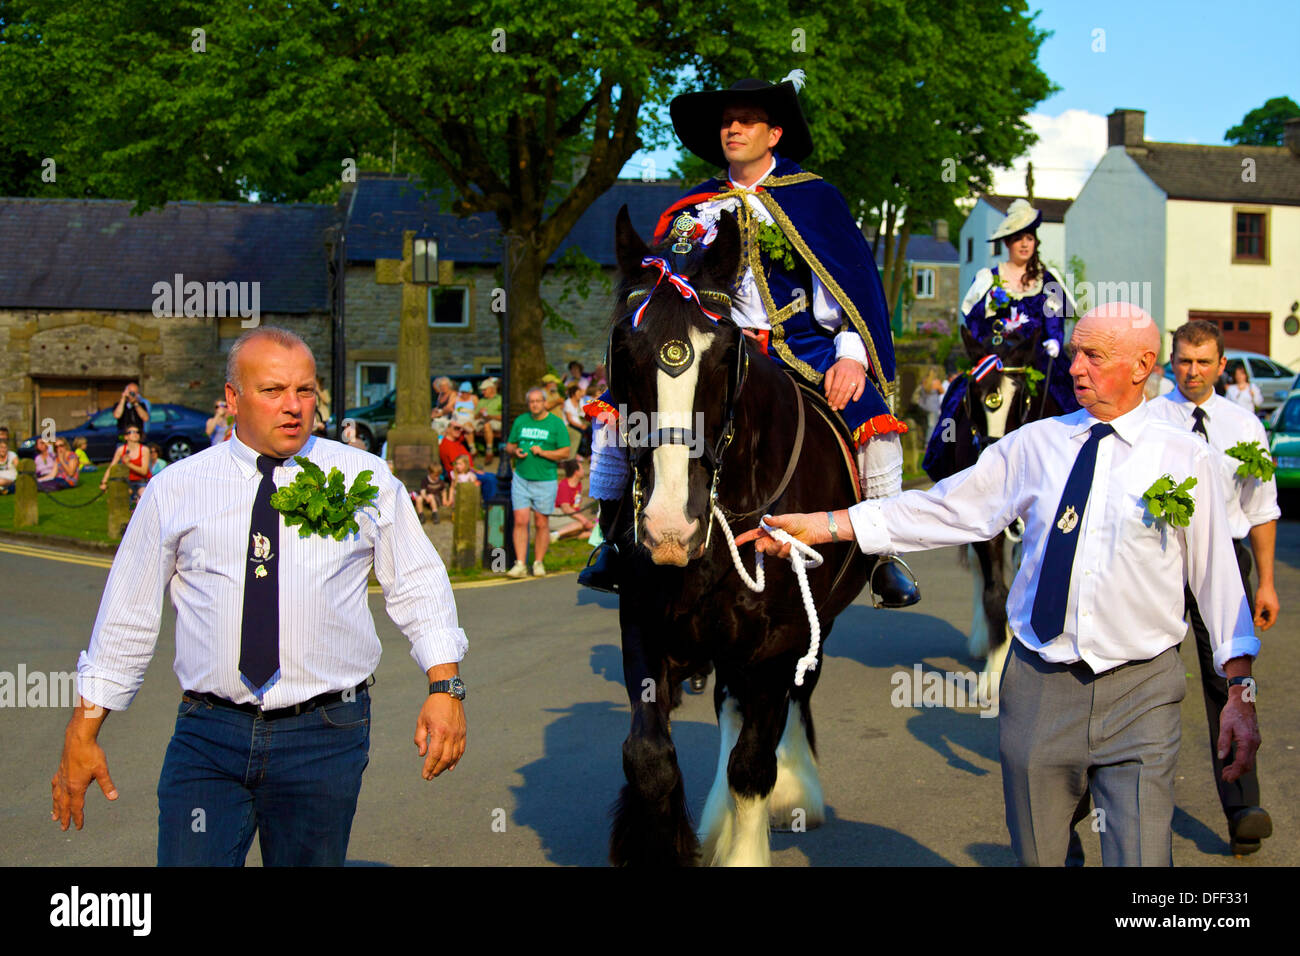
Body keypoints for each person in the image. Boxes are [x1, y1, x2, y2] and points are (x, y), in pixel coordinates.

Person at [757, 303, 1261, 866]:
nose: (1076, 369)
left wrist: (1241, 692)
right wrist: (829, 524)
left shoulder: (1186, 457)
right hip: (1039, 688)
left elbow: (1220, 583)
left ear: (1143, 365)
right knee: (1040, 856)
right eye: (1075, 353)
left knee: (1143, 861)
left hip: (1142, 692)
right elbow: (944, 510)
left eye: (1094, 356)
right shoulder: (1035, 445)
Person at [52, 326, 468, 865]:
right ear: (231, 398)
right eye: (273, 391)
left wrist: (446, 685)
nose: (293, 407)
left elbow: (418, 584)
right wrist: (83, 729)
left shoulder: (364, 478)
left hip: (326, 732)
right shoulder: (175, 488)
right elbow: (127, 617)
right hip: (209, 733)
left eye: (306, 391)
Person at [580, 73, 917, 605]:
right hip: (714, 351)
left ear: (774, 133)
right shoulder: (691, 209)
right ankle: (608, 540)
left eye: (746, 121)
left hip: (802, 347)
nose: (733, 129)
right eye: (726, 121)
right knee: (618, 414)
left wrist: (851, 356)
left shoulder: (815, 200)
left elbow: (854, 288)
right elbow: (665, 285)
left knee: (876, 427)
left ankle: (883, 555)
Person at [1148, 319, 1279, 854]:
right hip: (1158, 562)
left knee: (1229, 681)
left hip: (1226, 562)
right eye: (1184, 360)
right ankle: (1108, 802)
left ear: (1223, 366)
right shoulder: (1148, 419)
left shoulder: (1245, 425)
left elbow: (1262, 508)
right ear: (1170, 363)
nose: (1194, 371)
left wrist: (1266, 583)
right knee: (1140, 678)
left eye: (1204, 362)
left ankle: (1242, 806)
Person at [924, 200, 1079, 481]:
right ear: (1007, 242)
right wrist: (991, 346)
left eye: (1029, 238)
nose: (1024, 244)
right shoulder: (989, 278)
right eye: (1018, 237)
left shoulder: (1048, 279)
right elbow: (974, 321)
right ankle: (954, 461)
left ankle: (1072, 463)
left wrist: (1054, 341)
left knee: (1070, 398)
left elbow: (1055, 319)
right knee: (959, 395)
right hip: (998, 357)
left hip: (1039, 355)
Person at [504, 387, 570, 578]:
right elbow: (510, 444)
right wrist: (514, 451)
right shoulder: (521, 421)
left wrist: (543, 453)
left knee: (541, 523)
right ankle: (520, 564)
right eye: (531, 402)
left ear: (544, 403)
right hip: (521, 478)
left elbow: (565, 452)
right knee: (520, 521)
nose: (534, 405)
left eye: (538, 401)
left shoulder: (556, 423)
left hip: (545, 480)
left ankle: (538, 562)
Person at [551, 458, 595, 541]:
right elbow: (566, 508)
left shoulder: (578, 485)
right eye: (581, 469)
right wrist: (584, 520)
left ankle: (561, 536)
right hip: (559, 515)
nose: (584, 471)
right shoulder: (564, 485)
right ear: (576, 472)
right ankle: (555, 534)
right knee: (582, 524)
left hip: (570, 516)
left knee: (589, 530)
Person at [476, 378, 502, 461]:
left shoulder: (500, 399)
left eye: (484, 390)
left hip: (496, 422)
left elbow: (503, 417)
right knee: (466, 426)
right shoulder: (482, 401)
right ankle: (472, 450)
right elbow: (475, 417)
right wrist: (480, 413)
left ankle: (489, 451)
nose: (482, 392)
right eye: (482, 390)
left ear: (491, 389)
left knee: (487, 425)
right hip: (481, 422)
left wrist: (490, 416)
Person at [562, 383, 590, 459]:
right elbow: (570, 420)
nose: (580, 395)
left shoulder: (580, 401)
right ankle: (578, 454)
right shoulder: (567, 403)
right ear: (573, 394)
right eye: (578, 393)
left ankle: (589, 454)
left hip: (580, 423)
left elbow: (583, 413)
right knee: (580, 433)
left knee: (591, 431)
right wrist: (581, 426)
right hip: (570, 425)